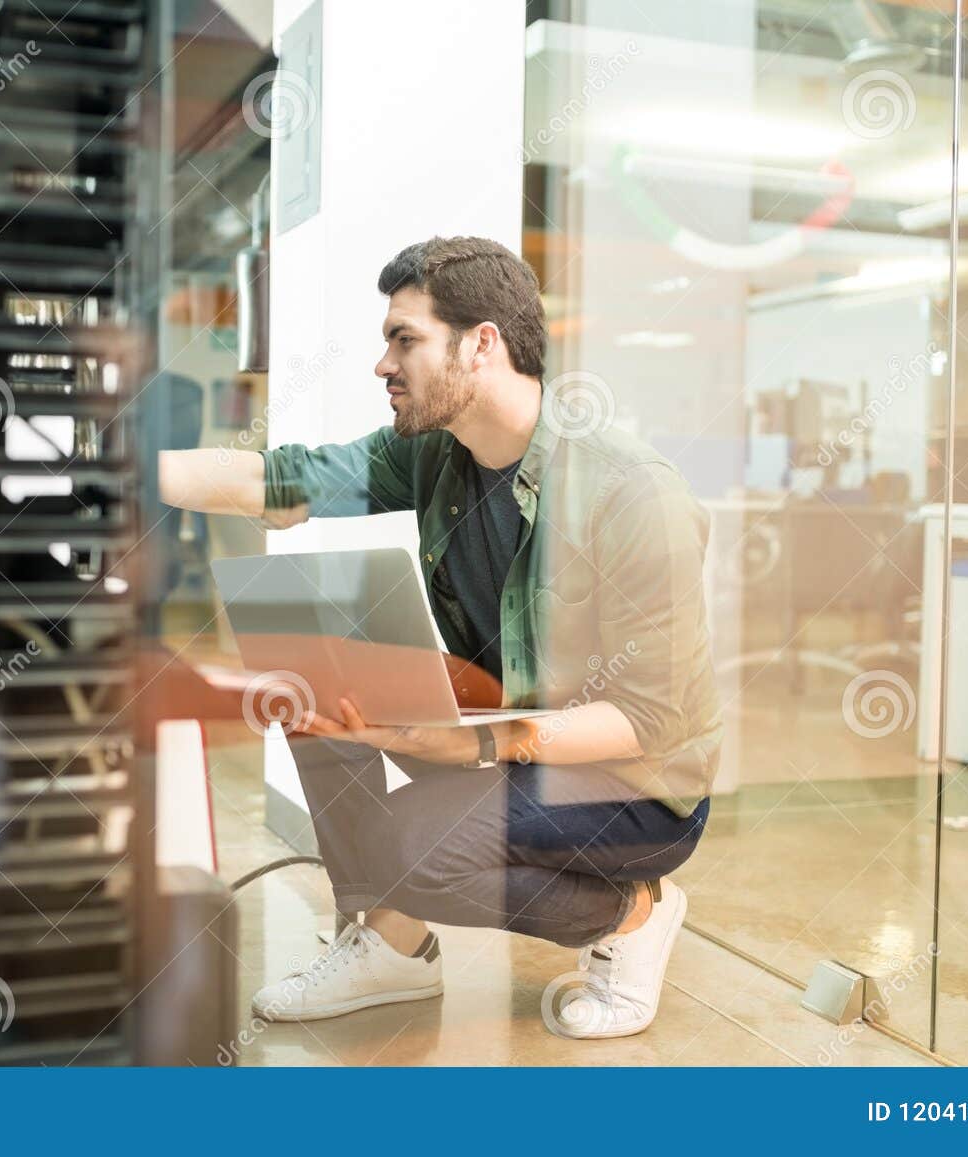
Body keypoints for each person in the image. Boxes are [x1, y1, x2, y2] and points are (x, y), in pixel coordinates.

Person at [158, 236, 721, 1038]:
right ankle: (395, 947)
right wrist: (118, 471)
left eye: (405, 339)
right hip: (505, 729)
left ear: (481, 343)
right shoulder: (431, 454)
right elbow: (278, 480)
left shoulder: (633, 493)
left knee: (407, 841)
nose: (383, 363)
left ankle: (633, 908)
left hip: (631, 784)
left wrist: (478, 747)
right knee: (314, 678)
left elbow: (649, 721)